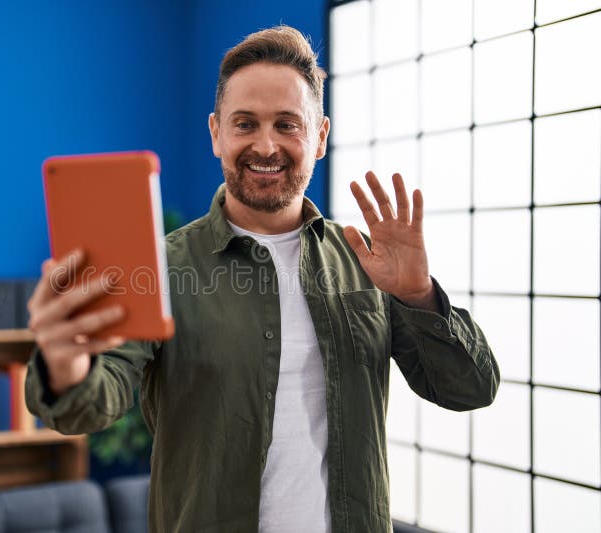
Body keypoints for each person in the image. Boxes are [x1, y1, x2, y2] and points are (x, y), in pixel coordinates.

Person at [25, 25, 500, 533]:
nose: (266, 145)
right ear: (216, 134)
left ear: (319, 137)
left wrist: (417, 295)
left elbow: (469, 389)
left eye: (288, 125)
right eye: (245, 123)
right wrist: (67, 364)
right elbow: (86, 408)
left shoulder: (367, 261)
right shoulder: (158, 267)